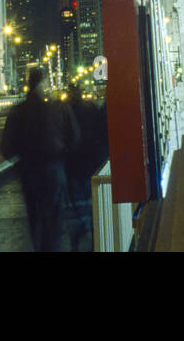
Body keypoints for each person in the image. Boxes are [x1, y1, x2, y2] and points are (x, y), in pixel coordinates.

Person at [0, 68, 80, 251]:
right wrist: (64, 156)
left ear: (29, 83)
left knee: (34, 216)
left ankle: (40, 247)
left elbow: (6, 146)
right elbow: (75, 138)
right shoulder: (58, 108)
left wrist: (20, 162)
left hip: (28, 170)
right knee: (54, 217)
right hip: (54, 167)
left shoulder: (17, 111)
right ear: (44, 83)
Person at [64, 83, 108, 250]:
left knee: (78, 202)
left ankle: (82, 229)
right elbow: (100, 133)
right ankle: (91, 229)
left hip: (73, 165)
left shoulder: (65, 111)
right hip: (90, 163)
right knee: (91, 201)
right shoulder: (91, 109)